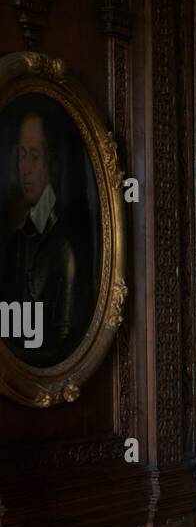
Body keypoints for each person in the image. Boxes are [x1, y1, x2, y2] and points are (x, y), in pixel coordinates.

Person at [1, 111, 86, 366]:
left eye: (34, 157)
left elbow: (65, 341)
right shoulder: (19, 237)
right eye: (22, 155)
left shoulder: (66, 242)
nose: (25, 168)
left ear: (51, 161)